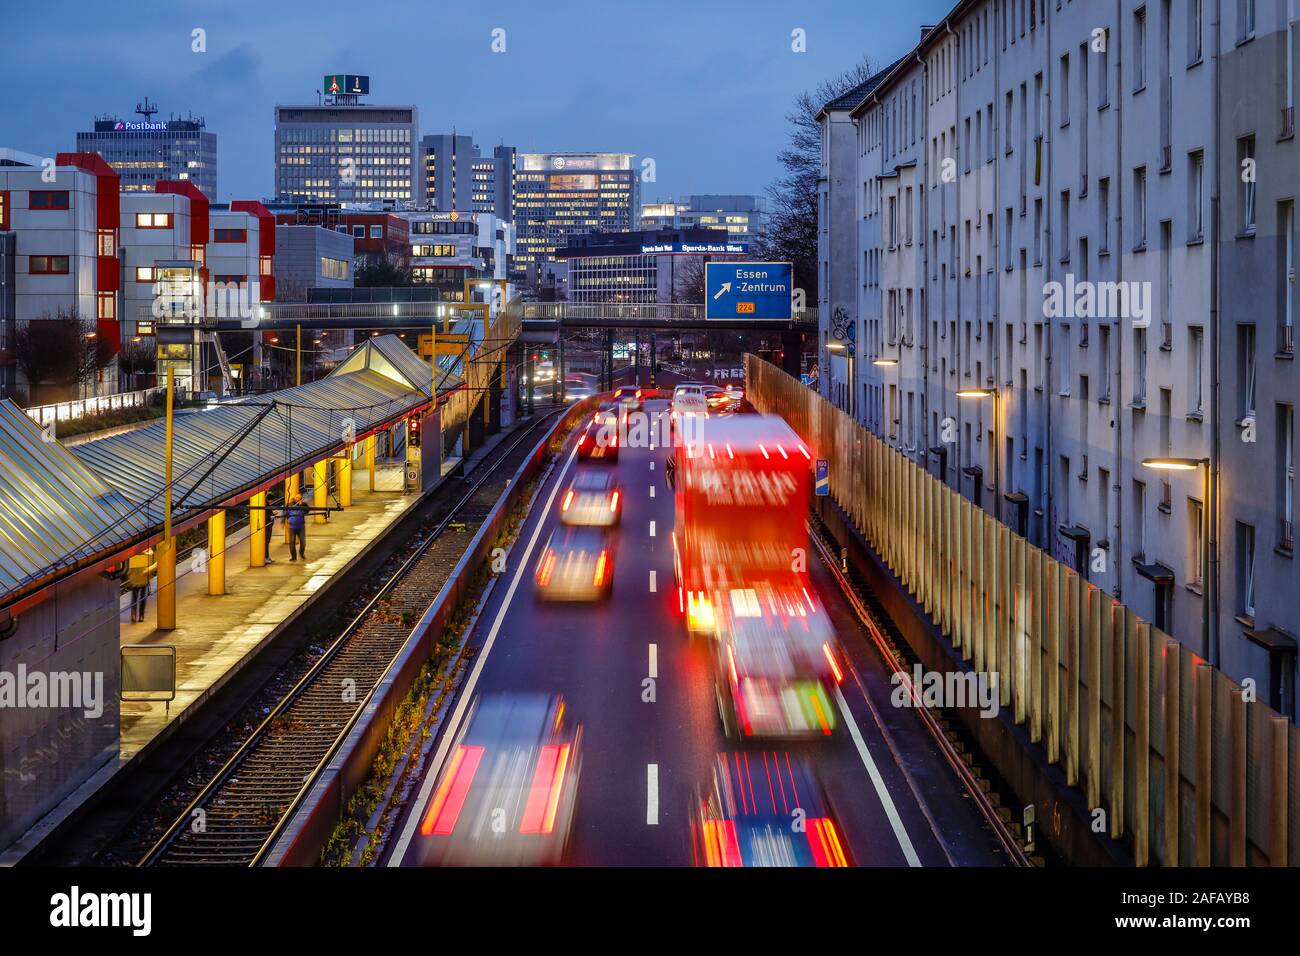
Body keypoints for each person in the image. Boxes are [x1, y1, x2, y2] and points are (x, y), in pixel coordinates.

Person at [125, 549, 157, 623]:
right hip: (143, 581)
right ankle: (141, 616)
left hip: (134, 581)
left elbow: (128, 571)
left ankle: (133, 615)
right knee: (142, 599)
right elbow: (146, 571)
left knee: (134, 599)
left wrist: (130, 578)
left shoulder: (132, 556)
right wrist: (156, 565)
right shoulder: (146, 556)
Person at [286, 494, 308, 561]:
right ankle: (293, 556)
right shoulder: (290, 504)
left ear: (301, 499)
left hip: (301, 526)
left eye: (299, 498)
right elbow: (287, 512)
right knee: (292, 542)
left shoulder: (303, 504)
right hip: (292, 526)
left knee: (303, 542)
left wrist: (301, 505)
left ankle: (301, 553)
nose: (297, 499)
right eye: (296, 497)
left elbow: (307, 511)